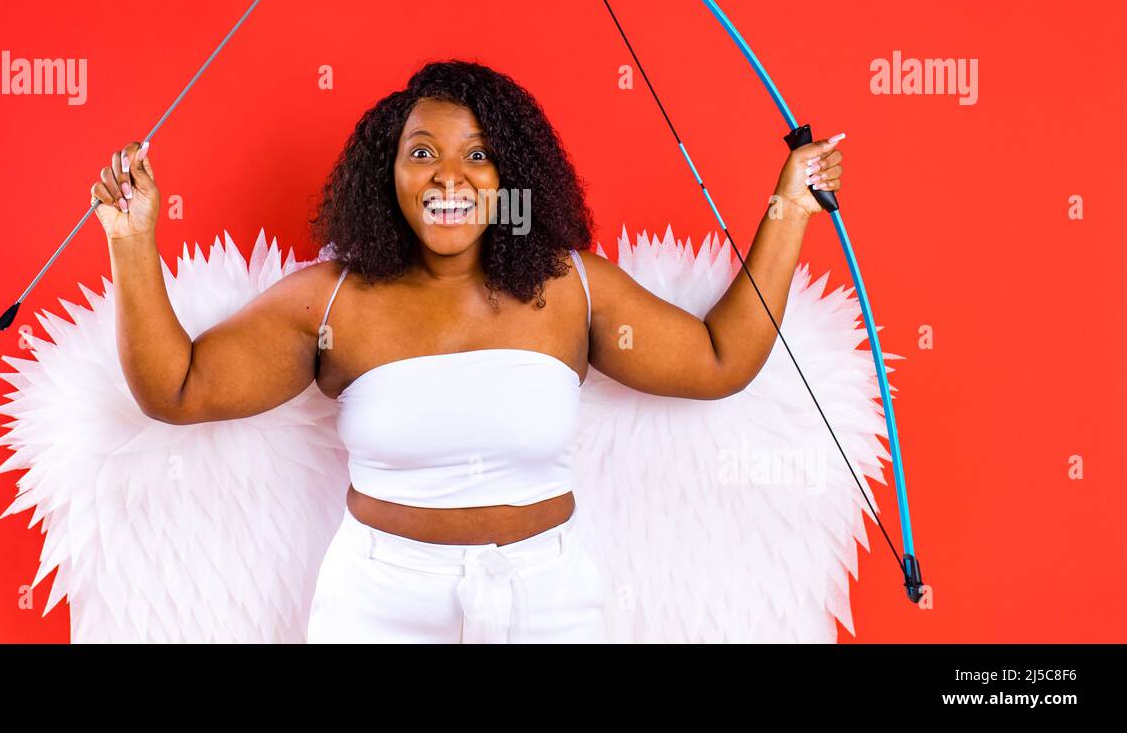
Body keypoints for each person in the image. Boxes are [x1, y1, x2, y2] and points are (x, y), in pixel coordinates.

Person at [88, 59, 846, 643]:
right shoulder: (329, 300)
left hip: (549, 600)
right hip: (379, 605)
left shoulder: (571, 288)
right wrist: (132, 239)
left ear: (509, 178)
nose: (449, 175)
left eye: (478, 156)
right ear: (389, 174)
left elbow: (719, 358)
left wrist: (790, 207)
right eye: (422, 152)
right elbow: (177, 388)